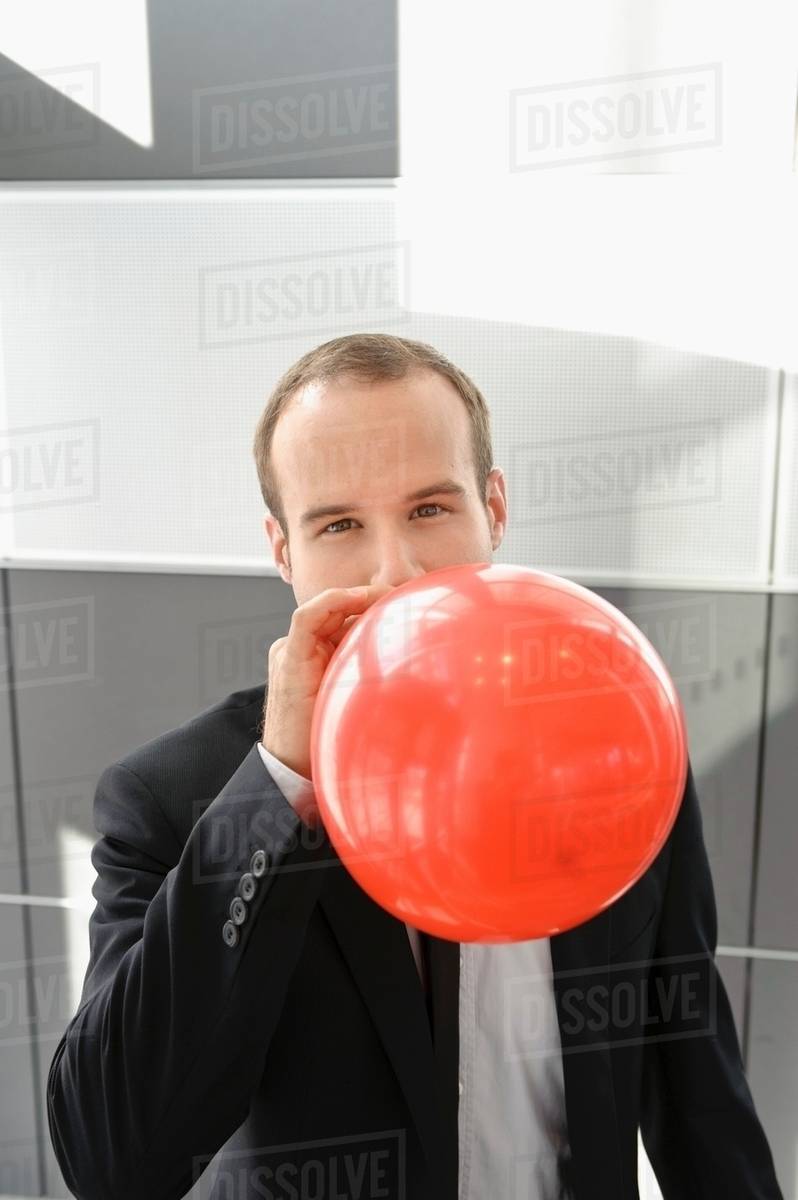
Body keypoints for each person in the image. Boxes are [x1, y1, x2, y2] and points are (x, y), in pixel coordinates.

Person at [47, 333, 784, 1200]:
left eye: (431, 510)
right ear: (284, 551)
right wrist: (279, 786)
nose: (394, 570)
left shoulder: (614, 748)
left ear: (494, 510)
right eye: (340, 525)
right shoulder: (173, 800)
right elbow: (114, 1159)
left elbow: (700, 1101)